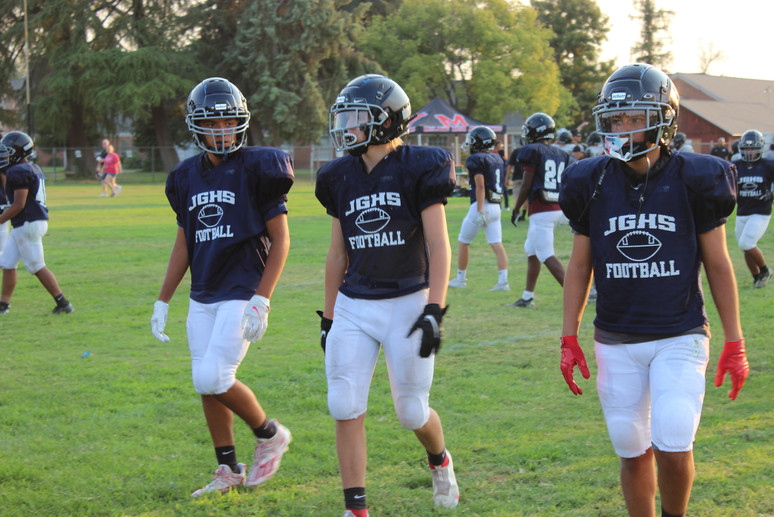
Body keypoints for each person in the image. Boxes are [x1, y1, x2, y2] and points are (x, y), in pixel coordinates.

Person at [559, 63, 749, 517]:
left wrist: (735, 340)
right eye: (615, 119)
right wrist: (569, 336)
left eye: (634, 118)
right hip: (616, 337)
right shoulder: (591, 178)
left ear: (663, 119)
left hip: (679, 332)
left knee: (674, 435)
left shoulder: (695, 176)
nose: (622, 128)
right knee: (630, 445)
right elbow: (580, 263)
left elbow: (719, 264)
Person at [315, 74, 459, 516]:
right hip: (356, 302)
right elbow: (337, 253)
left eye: (356, 117)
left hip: (408, 301)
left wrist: (435, 308)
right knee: (343, 402)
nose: (346, 125)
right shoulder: (338, 175)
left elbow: (438, 244)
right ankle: (355, 508)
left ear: (385, 121)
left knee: (412, 412)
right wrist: (330, 315)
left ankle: (440, 459)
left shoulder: (422, 165)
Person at [150, 77, 294, 498]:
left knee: (215, 374)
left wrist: (262, 298)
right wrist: (163, 299)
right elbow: (184, 242)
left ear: (240, 122)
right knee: (204, 382)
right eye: (212, 124)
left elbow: (282, 239)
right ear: (196, 127)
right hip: (204, 291)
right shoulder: (184, 177)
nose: (221, 131)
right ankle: (227, 468)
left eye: (228, 121)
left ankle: (269, 434)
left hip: (242, 288)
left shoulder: (258, 167)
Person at [0, 131, 73, 315]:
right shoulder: (31, 168)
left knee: (36, 266)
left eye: (7, 151)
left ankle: (63, 303)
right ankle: (3, 305)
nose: (4, 155)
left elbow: (18, 204)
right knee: (8, 263)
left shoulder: (17, 171)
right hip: (26, 223)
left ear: (17, 152)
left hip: (28, 223)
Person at [508, 112, 570, 308]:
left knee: (545, 254)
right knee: (532, 250)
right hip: (557, 206)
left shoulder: (531, 150)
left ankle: (576, 295)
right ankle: (527, 297)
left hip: (542, 209)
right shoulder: (561, 153)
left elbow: (526, 185)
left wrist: (516, 208)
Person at [448, 126, 509, 291]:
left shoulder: (476, 159)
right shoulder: (498, 159)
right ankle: (503, 282)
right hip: (496, 206)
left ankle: (461, 279)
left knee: (463, 241)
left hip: (482, 205)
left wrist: (480, 210)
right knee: (496, 243)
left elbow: (480, 187)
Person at [732, 129, 774, 288]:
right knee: (745, 248)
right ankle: (757, 278)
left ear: (760, 148)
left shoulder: (768, 164)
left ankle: (765, 271)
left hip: (761, 212)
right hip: (742, 211)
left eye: (753, 148)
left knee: (747, 243)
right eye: (747, 148)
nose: (749, 152)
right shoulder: (735, 166)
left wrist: (772, 194)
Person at [507, 145, 527, 222]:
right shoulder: (530, 151)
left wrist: (506, 178)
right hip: (527, 176)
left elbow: (509, 166)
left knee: (516, 196)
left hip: (517, 177)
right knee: (526, 198)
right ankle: (523, 215)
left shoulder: (516, 151)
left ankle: (517, 213)